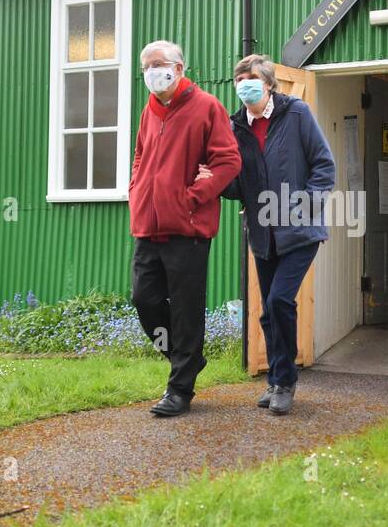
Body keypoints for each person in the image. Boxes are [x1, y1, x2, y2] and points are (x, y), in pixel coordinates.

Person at [199, 54, 335, 415]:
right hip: (262, 232)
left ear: (269, 84)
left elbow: (324, 165)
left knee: (278, 301)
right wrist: (213, 179)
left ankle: (285, 381)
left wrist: (304, 205)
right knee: (267, 312)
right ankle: (275, 379)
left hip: (300, 231)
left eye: (252, 78)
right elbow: (237, 185)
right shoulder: (235, 127)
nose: (245, 84)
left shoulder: (296, 113)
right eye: (239, 79)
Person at [129, 40, 241, 417]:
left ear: (178, 68)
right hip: (148, 224)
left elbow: (228, 161)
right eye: (145, 66)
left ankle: (180, 389)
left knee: (186, 309)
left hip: (188, 228)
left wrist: (193, 197)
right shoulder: (149, 111)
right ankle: (187, 359)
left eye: (158, 64)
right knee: (144, 300)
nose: (151, 72)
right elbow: (140, 156)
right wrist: (137, 189)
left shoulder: (207, 107)